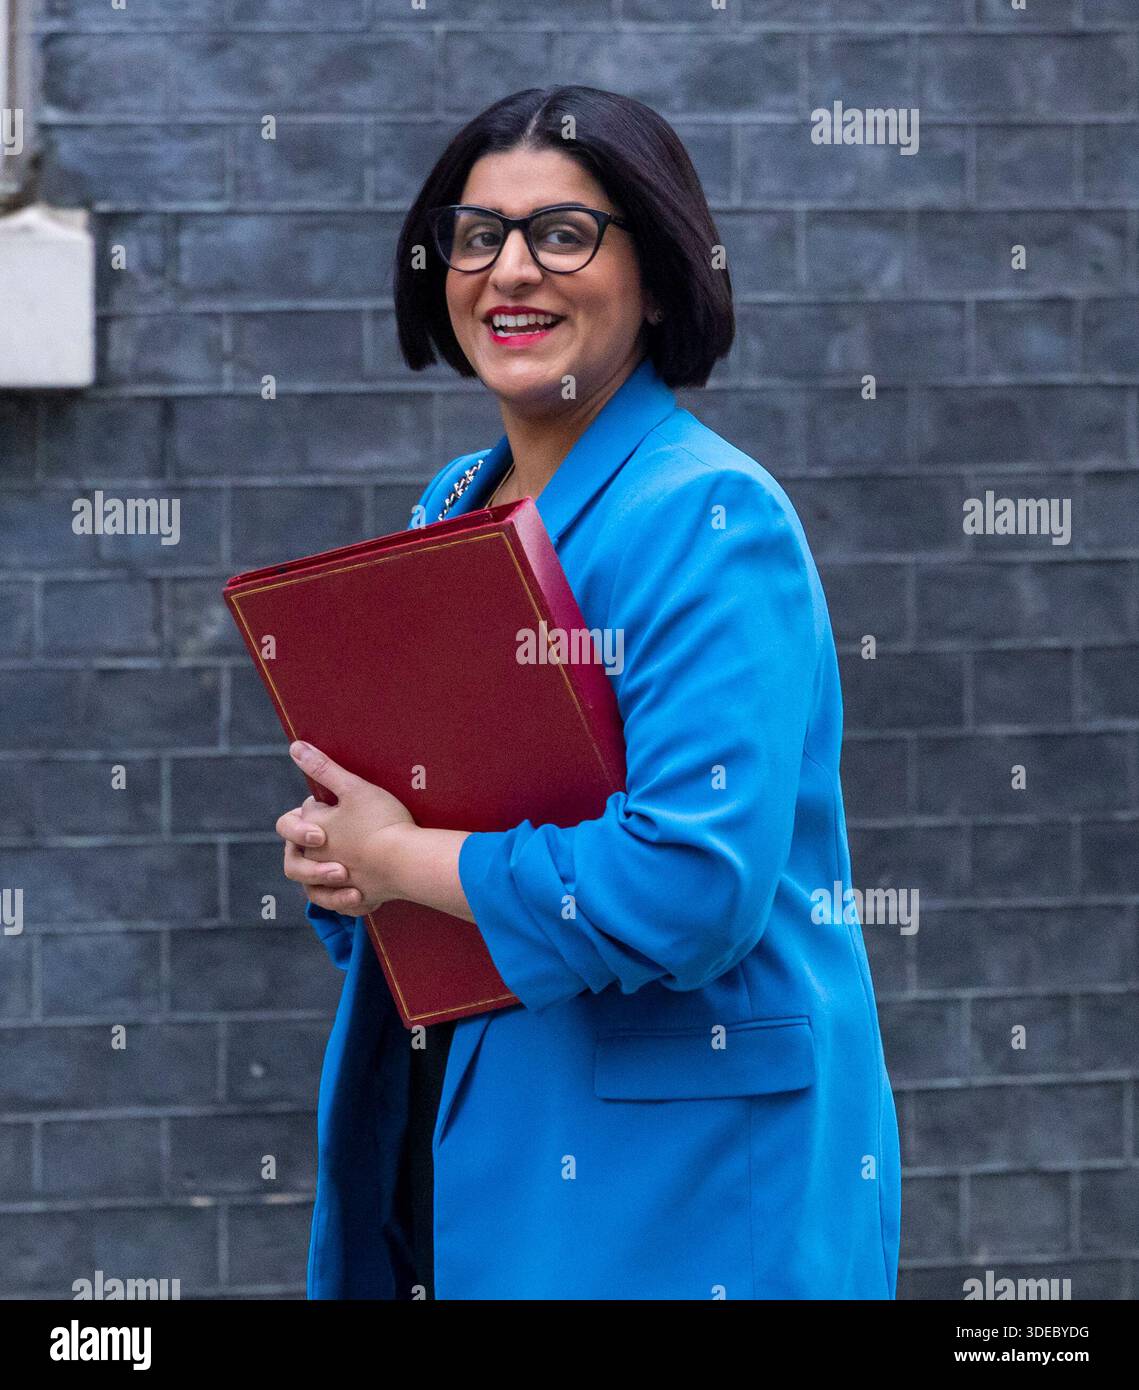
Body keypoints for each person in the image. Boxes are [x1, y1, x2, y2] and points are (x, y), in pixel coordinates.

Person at [274, 85, 901, 1300]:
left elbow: (690, 884)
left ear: (657, 275)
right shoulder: (454, 502)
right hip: (459, 1132)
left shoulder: (712, 519)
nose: (510, 269)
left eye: (563, 233)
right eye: (476, 234)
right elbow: (422, 812)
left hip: (679, 1184)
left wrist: (406, 859)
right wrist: (344, 861)